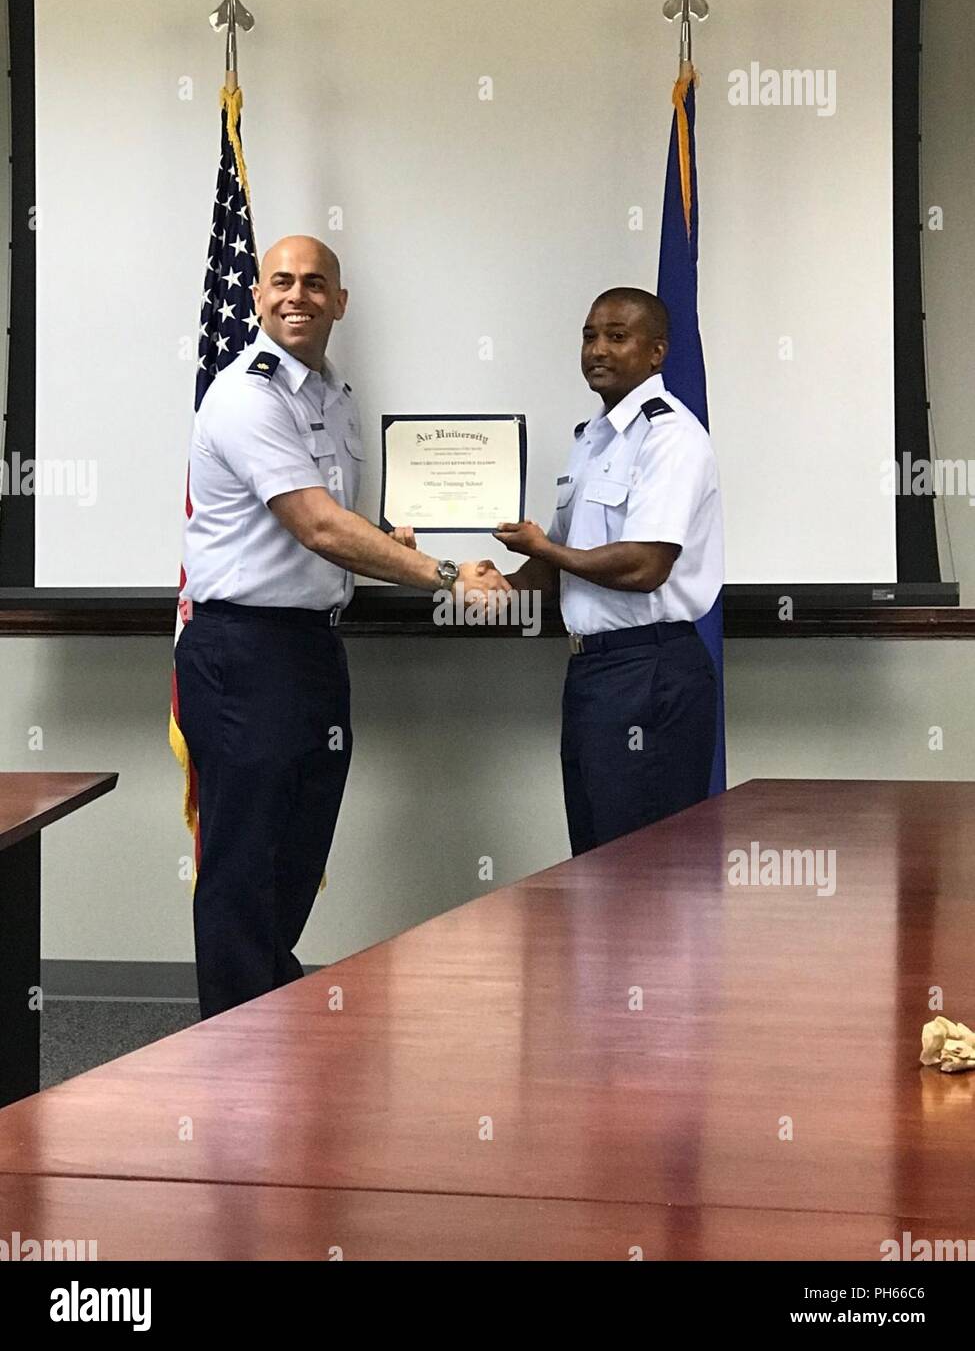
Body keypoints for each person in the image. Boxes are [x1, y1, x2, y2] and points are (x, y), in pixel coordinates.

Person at [176, 235, 509, 1017]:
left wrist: (384, 546)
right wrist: (448, 576)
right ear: (256, 297)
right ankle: (230, 1046)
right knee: (244, 862)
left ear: (340, 302)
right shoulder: (246, 395)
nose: (298, 296)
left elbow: (333, 531)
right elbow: (318, 526)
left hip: (308, 649)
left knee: (294, 850)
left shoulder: (330, 395)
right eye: (281, 282)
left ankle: (265, 1016)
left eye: (315, 283)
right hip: (242, 651)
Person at [494, 287, 723, 856]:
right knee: (596, 861)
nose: (598, 349)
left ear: (657, 353)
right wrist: (473, 584)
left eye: (617, 337)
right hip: (595, 675)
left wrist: (545, 550)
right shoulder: (592, 440)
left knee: (642, 871)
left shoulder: (670, 438)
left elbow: (645, 565)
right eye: (590, 336)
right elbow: (557, 564)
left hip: (649, 668)